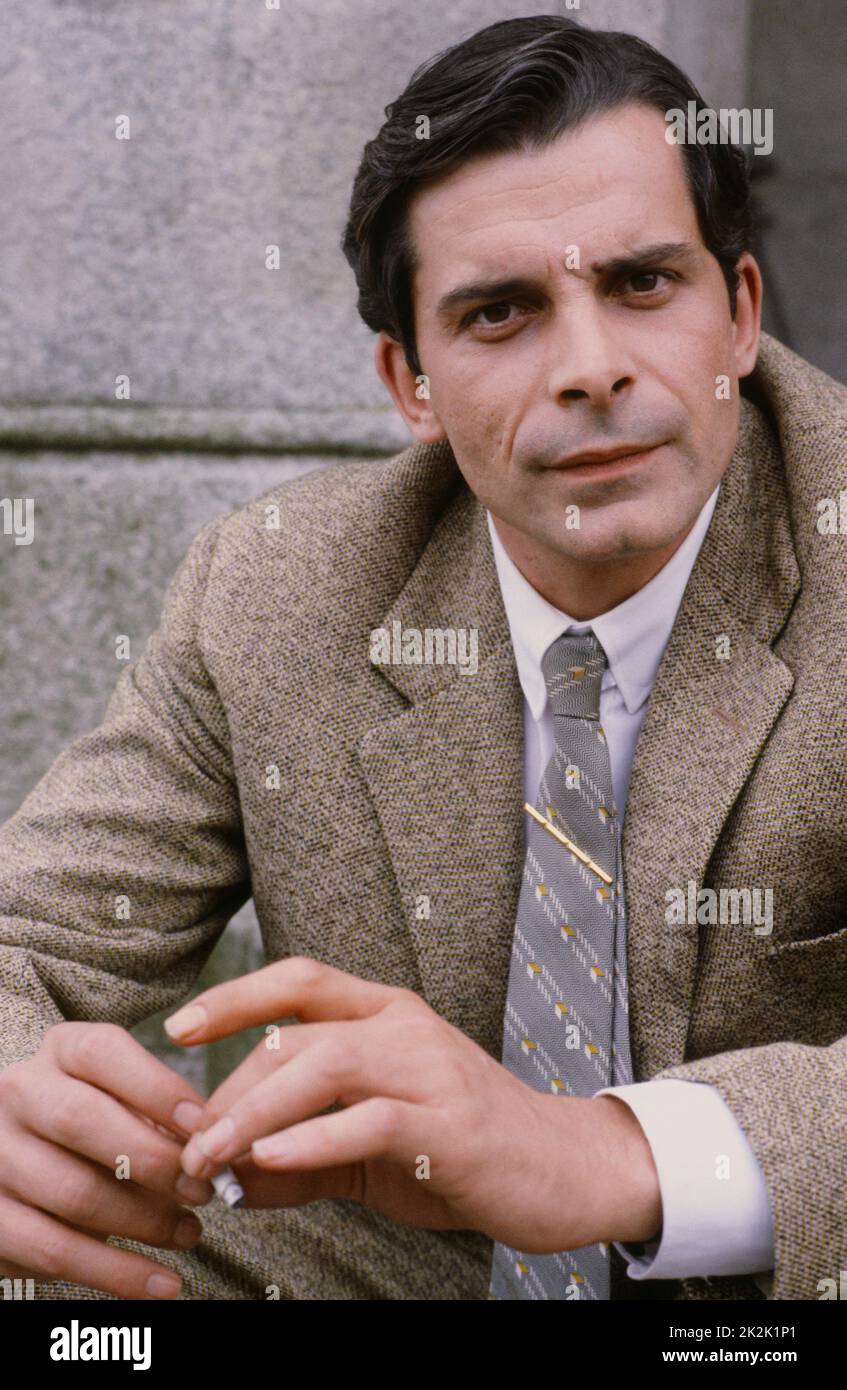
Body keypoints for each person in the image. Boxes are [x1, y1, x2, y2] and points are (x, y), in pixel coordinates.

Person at [0, 15, 844, 1302]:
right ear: (412, 384)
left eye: (640, 283)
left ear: (737, 311)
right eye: (500, 313)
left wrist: (602, 1153)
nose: (591, 369)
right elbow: (32, 935)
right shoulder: (277, 589)